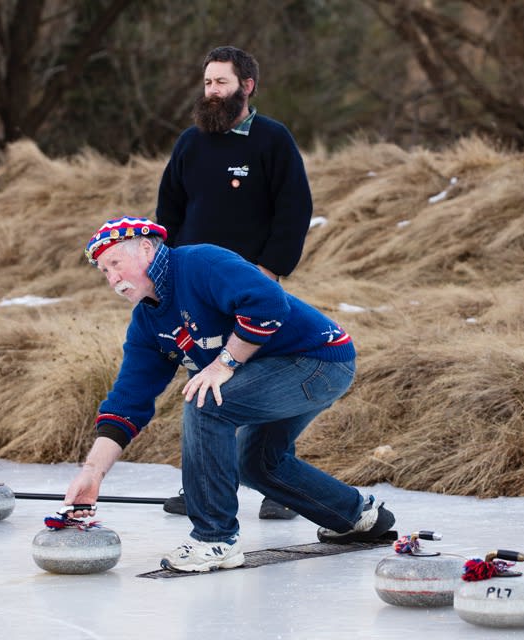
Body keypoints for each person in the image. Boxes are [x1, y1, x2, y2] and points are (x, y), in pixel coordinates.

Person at [64, 216, 395, 573]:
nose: (112, 279)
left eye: (115, 263)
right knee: (255, 463)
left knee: (205, 402)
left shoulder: (199, 264)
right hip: (269, 370)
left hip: (317, 361)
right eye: (104, 271)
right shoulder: (148, 324)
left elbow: (268, 303)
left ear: (146, 248)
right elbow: (128, 402)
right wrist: (93, 473)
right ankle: (357, 515)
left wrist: (223, 364)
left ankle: (214, 539)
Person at [155, 45, 313, 519]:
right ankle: (201, 488)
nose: (212, 92)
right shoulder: (190, 143)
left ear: (246, 86)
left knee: (268, 383)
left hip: (252, 289)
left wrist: (267, 274)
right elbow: (169, 214)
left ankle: (278, 487)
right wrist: (172, 273)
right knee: (201, 385)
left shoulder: (272, 139)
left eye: (221, 82)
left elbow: (294, 211)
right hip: (198, 293)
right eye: (207, 83)